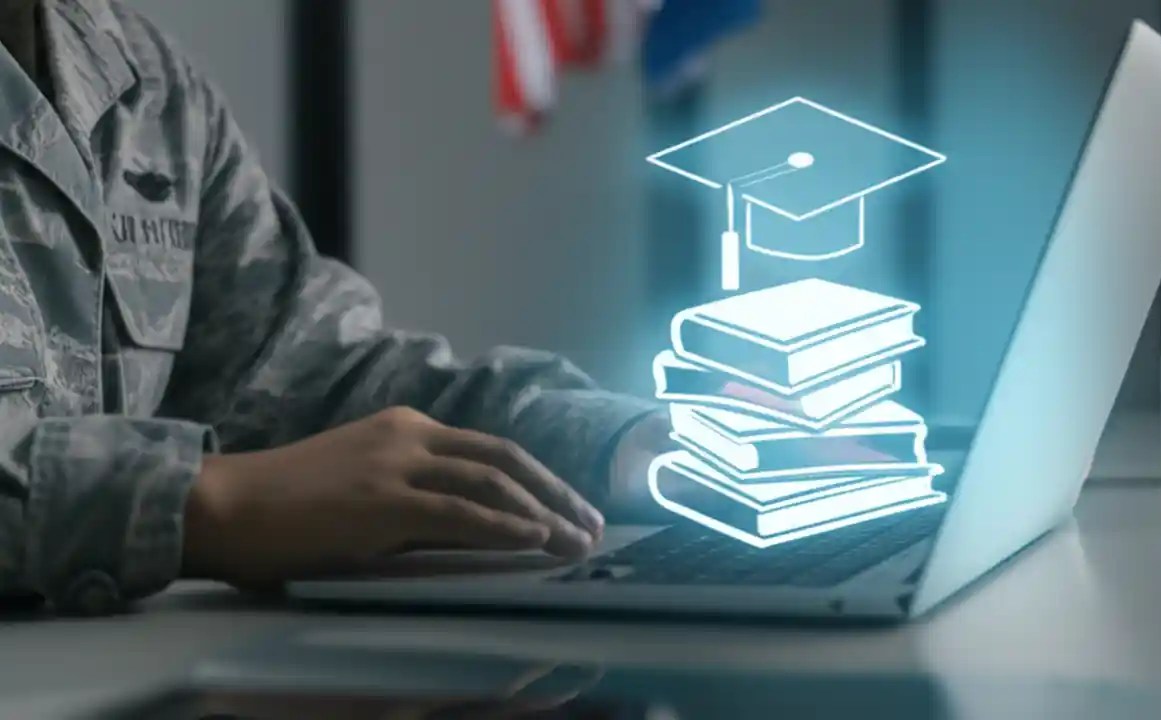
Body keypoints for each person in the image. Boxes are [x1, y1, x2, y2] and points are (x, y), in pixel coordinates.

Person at [0, 0, 669, 615]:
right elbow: (256, 491)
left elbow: (304, 372)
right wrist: (205, 504)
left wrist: (619, 446)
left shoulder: (142, 78)